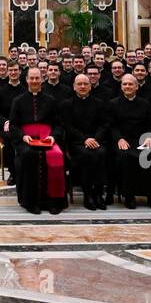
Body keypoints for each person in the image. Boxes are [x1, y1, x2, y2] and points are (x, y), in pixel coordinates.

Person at [10, 67, 67, 215]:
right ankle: (31, 202)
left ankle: (54, 202)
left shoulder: (51, 100)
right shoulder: (18, 101)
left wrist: (53, 137)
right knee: (30, 155)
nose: (34, 81)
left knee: (56, 156)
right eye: (32, 78)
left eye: (37, 78)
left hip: (47, 138)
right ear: (27, 79)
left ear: (42, 79)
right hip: (26, 140)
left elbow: (58, 124)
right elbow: (13, 125)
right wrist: (23, 136)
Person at [108, 73, 151, 208]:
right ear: (121, 86)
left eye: (131, 84)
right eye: (125, 84)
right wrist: (119, 138)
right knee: (126, 157)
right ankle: (129, 196)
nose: (127, 86)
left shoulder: (145, 104)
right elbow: (111, 125)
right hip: (123, 140)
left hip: (141, 140)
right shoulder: (113, 104)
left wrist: (149, 136)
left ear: (136, 87)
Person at [64, 74, 108, 210]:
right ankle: (88, 194)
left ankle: (98, 194)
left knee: (101, 153)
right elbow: (68, 127)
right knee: (87, 155)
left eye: (85, 84)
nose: (82, 86)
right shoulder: (67, 104)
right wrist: (84, 139)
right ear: (74, 87)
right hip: (77, 142)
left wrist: (95, 139)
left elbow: (104, 124)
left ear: (90, 86)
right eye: (79, 84)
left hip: (96, 140)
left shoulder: (99, 103)